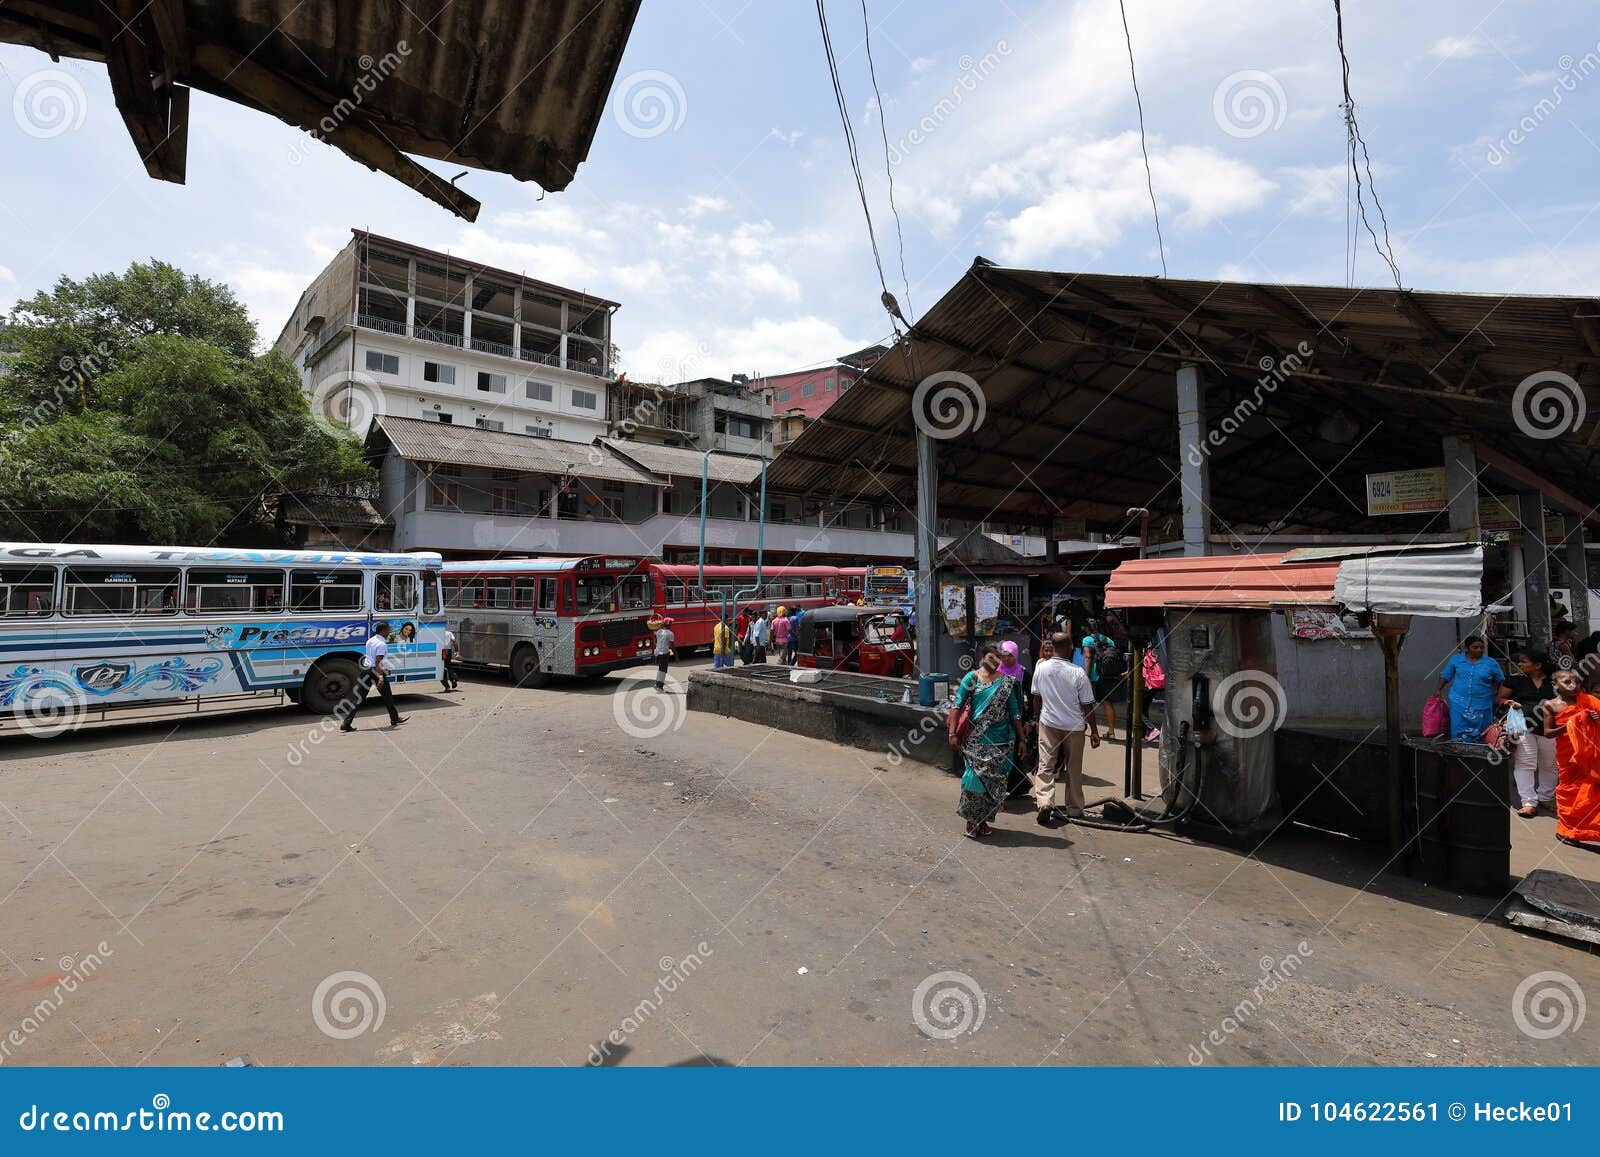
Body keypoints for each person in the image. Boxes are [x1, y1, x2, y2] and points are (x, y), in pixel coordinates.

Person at [948, 645, 1026, 839]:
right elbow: (957, 705)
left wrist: (1022, 739)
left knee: (994, 784)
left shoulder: (1007, 682)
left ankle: (982, 821)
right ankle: (971, 821)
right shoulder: (971, 678)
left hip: (1002, 743)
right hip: (976, 741)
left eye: (999, 657)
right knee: (974, 782)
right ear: (983, 658)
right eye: (992, 657)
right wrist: (952, 733)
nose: (996, 661)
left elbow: (1015, 713)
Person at [1031, 630, 1101, 825]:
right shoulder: (1077, 672)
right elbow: (1087, 705)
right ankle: (1075, 809)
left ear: (1052, 647)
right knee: (1073, 768)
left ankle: (1045, 802)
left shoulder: (1041, 668)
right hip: (1075, 726)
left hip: (1048, 723)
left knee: (1046, 765)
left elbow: (1036, 699)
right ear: (1070, 648)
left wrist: (1038, 721)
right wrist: (1094, 731)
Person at [1543, 668, 1600, 848]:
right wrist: (1570, 724)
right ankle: (1567, 831)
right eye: (1567, 682)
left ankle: (1590, 831)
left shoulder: (1590, 701)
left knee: (1593, 795)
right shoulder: (1550, 705)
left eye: (1577, 682)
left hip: (1591, 756)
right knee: (1569, 793)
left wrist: (1596, 719)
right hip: (1568, 758)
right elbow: (1548, 733)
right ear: (1555, 685)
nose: (1573, 686)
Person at [1500, 651, 1555, 817]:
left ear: (1538, 665)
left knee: (1550, 764)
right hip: (1523, 727)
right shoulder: (1515, 679)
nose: (1520, 664)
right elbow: (1500, 699)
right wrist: (1508, 702)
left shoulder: (1555, 680)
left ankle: (1546, 797)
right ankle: (1529, 802)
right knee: (1526, 763)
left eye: (1524, 662)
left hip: (1551, 729)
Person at [339, 621, 407, 731]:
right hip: (376, 671)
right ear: (383, 631)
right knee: (387, 696)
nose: (389, 632)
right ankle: (394, 718)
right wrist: (380, 677)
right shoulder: (382, 644)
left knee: (358, 698)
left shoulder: (370, 640)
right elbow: (378, 662)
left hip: (366, 671)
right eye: (388, 629)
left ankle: (346, 723)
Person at [1435, 635, 1505, 741]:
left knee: (1482, 732)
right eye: (1475, 647)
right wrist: (1438, 689)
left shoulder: (1491, 663)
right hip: (1458, 701)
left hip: (1483, 703)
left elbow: (1501, 680)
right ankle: (1458, 751)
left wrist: (1499, 697)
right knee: (1458, 728)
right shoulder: (1456, 660)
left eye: (1482, 647)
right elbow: (1446, 675)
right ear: (1467, 648)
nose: (1479, 650)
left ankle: (1478, 753)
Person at [1081, 618, 1123, 741]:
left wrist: (1086, 675)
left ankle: (1082, 727)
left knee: (1085, 701)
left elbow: (1088, 657)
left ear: (1088, 628)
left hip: (1094, 675)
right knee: (1107, 702)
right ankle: (1111, 732)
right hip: (1107, 674)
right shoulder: (1108, 639)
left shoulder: (1087, 640)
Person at [653, 616, 677, 691]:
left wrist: (657, 645)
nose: (671, 624)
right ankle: (659, 686)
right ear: (669, 624)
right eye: (671, 623)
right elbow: (672, 646)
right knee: (663, 670)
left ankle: (657, 684)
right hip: (664, 653)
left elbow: (654, 640)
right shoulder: (670, 633)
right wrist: (676, 655)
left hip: (657, 653)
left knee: (660, 669)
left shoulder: (658, 631)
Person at [441, 625, 460, 691]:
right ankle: (454, 679)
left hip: (441, 651)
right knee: (448, 666)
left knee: (441, 668)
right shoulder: (449, 633)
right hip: (448, 651)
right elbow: (454, 642)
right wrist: (457, 651)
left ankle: (447, 686)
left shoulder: (437, 632)